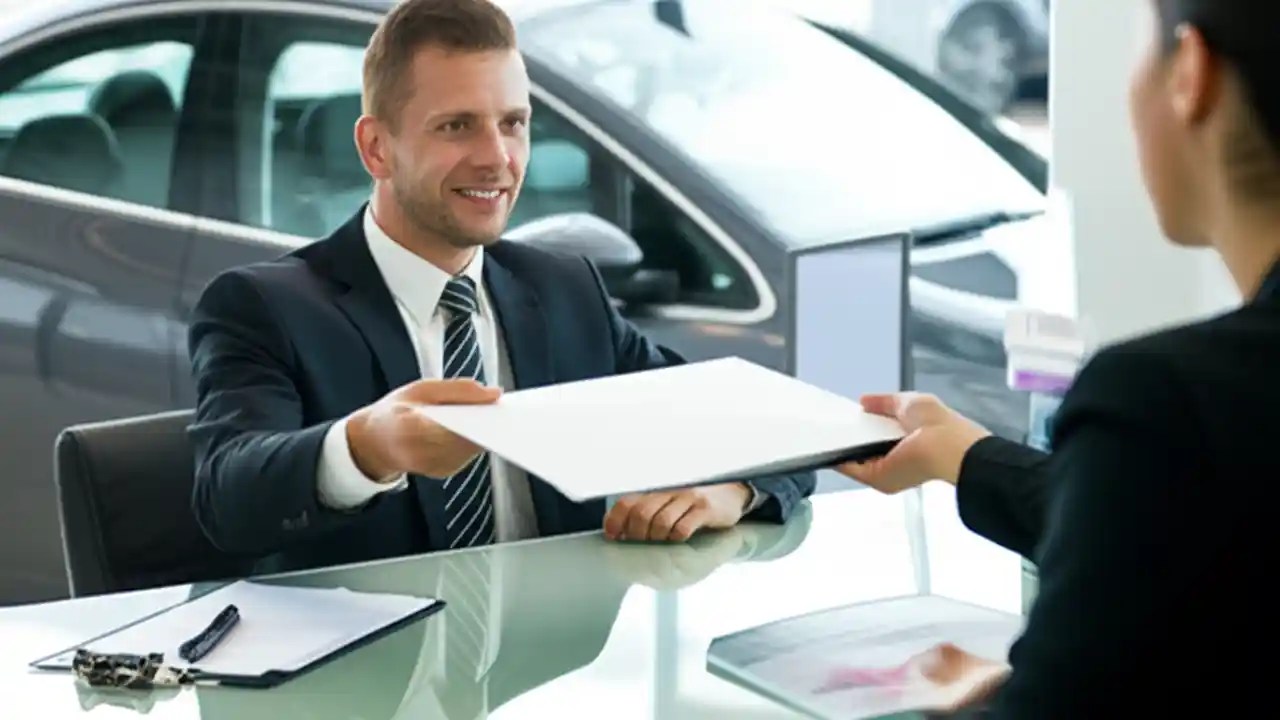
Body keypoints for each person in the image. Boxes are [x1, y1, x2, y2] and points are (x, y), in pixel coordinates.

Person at [186, 0, 813, 575]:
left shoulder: (566, 290)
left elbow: (769, 430)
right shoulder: (264, 307)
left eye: (513, 123)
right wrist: (367, 446)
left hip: (555, 677)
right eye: (457, 127)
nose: (498, 158)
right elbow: (228, 498)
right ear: (377, 149)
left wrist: (732, 491)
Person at [840, 0, 1280, 714]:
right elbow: (1176, 516)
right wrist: (966, 455)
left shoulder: (1166, 400)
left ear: (1190, 75)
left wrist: (989, 700)